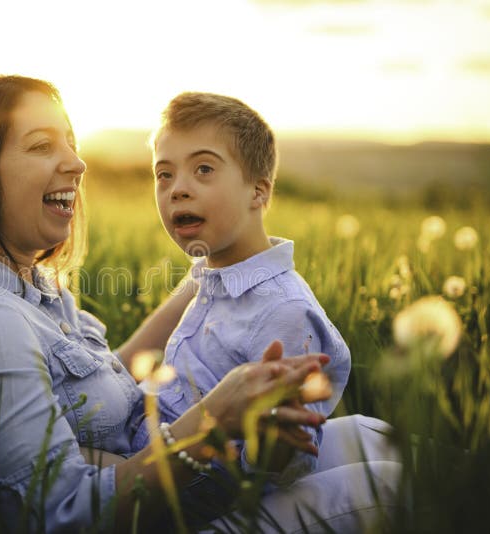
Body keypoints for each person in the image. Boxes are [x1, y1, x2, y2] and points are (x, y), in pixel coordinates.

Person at [0, 75, 398, 533]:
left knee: (372, 436)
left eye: (71, 143)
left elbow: (110, 381)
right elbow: (54, 516)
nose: (78, 162)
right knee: (392, 485)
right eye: (43, 145)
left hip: (173, 482)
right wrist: (212, 419)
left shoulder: (37, 293)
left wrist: (221, 271)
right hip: (162, 513)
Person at [129, 92, 352, 491]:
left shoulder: (283, 311)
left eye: (203, 169)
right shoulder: (212, 276)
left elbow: (286, 465)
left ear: (258, 192)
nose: (177, 188)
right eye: (164, 174)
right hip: (148, 451)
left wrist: (273, 439)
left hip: (190, 496)